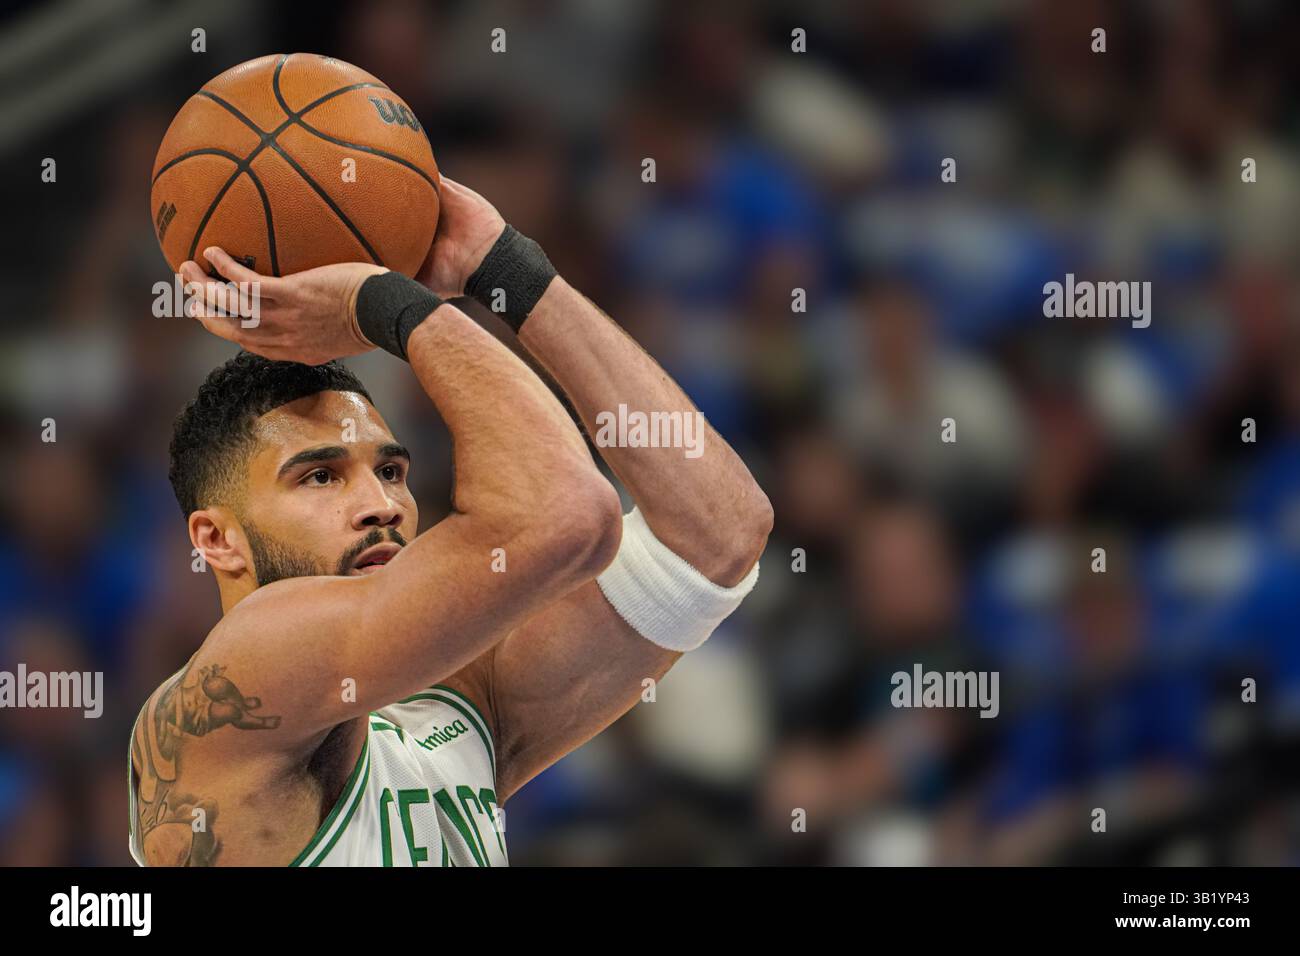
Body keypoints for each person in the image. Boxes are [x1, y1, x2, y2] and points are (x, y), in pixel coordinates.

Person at [128, 177, 772, 866]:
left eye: (391, 470)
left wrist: (504, 269)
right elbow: (572, 515)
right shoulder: (238, 683)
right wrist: (384, 303)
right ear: (216, 540)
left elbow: (718, 533)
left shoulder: (452, 709)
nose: (380, 504)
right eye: (320, 476)